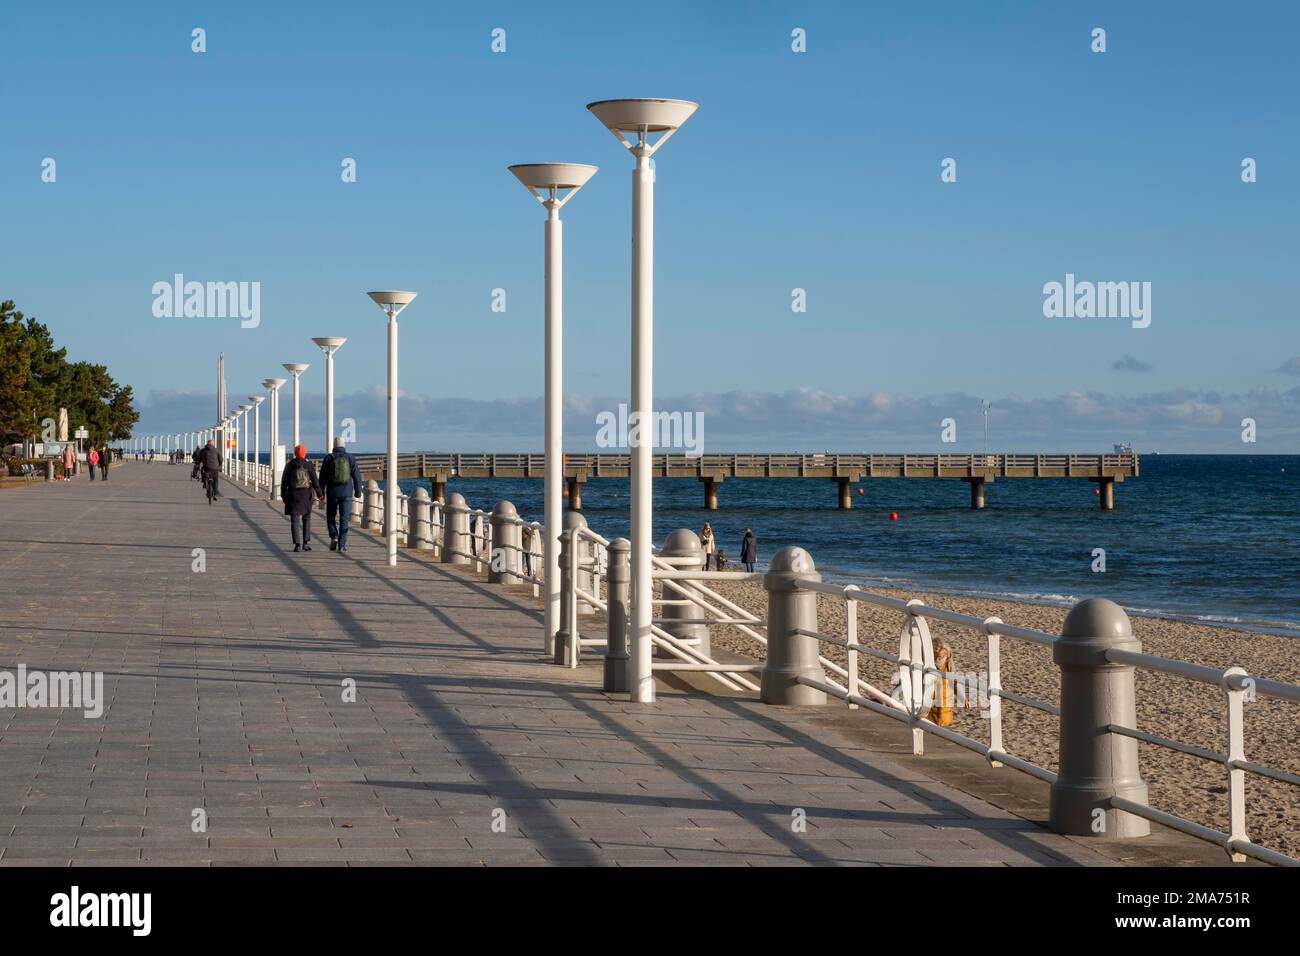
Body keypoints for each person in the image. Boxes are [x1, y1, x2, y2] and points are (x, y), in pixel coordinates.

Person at [320, 437, 363, 553]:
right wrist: (358, 491)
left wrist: (320, 493)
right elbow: (357, 477)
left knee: (330, 516)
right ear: (344, 446)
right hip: (347, 493)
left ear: (334, 446)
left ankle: (334, 536)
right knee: (344, 519)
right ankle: (342, 544)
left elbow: (322, 477)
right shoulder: (350, 458)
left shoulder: (329, 458)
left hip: (332, 493)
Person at [280, 444, 324, 552]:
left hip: (293, 496)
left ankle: (297, 545)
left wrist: (283, 496)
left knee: (294, 520)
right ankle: (305, 543)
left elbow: (284, 482)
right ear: (304, 453)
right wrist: (320, 494)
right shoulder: (308, 465)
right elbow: (315, 481)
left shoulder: (290, 465)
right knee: (306, 519)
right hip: (306, 496)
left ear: (295, 453)